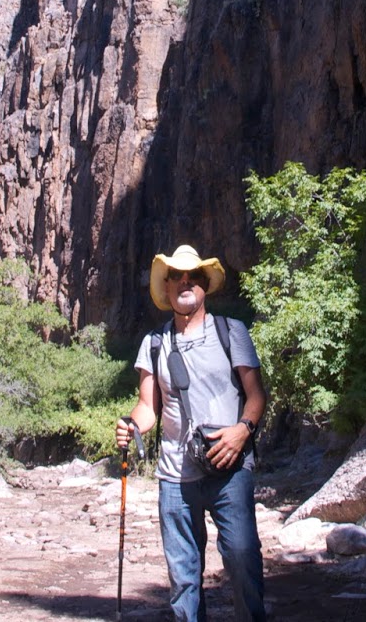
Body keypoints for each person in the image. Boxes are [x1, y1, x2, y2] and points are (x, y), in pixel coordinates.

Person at [115, 244, 268, 622]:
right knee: (183, 577)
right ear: (166, 289)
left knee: (242, 563)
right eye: (177, 278)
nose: (185, 283)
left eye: (193, 277)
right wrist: (131, 424)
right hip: (175, 475)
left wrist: (242, 431)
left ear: (204, 286)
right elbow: (148, 407)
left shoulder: (232, 332)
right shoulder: (153, 344)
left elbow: (256, 397)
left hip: (230, 467)